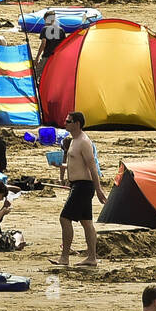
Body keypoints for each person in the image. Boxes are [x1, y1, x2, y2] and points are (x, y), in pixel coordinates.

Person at [51, 111, 105, 267]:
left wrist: (99, 189)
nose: (65, 123)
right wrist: (60, 166)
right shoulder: (74, 140)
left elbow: (92, 166)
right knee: (86, 222)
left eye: (68, 121)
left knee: (64, 218)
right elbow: (76, 164)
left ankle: (65, 257)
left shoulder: (84, 141)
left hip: (83, 186)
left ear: (77, 123)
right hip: (78, 185)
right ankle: (92, 258)